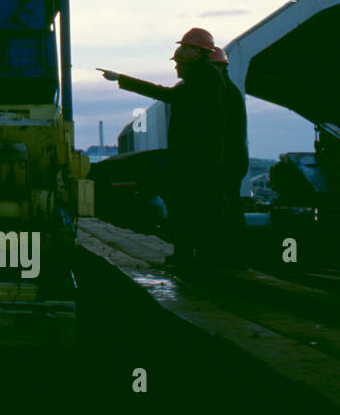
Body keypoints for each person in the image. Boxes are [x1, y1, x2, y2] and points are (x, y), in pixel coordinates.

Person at [100, 27, 227, 274]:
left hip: (195, 159)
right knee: (198, 207)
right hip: (199, 157)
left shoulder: (203, 78)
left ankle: (197, 258)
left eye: (184, 50)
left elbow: (165, 94)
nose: (178, 57)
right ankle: (201, 257)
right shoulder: (204, 77)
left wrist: (121, 79)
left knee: (191, 206)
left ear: (197, 52)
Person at [211, 46, 248, 267]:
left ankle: (231, 256)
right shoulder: (230, 90)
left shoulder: (223, 91)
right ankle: (235, 256)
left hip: (227, 160)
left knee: (226, 209)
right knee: (231, 206)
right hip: (234, 159)